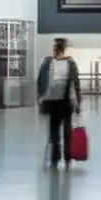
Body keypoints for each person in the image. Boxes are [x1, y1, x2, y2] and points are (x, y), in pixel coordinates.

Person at [36, 38, 82, 167]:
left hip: (52, 102)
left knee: (54, 130)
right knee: (67, 131)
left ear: (55, 48)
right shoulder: (70, 63)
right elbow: (76, 84)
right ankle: (67, 156)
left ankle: (55, 156)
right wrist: (78, 103)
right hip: (65, 102)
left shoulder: (47, 63)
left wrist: (40, 98)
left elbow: (40, 82)